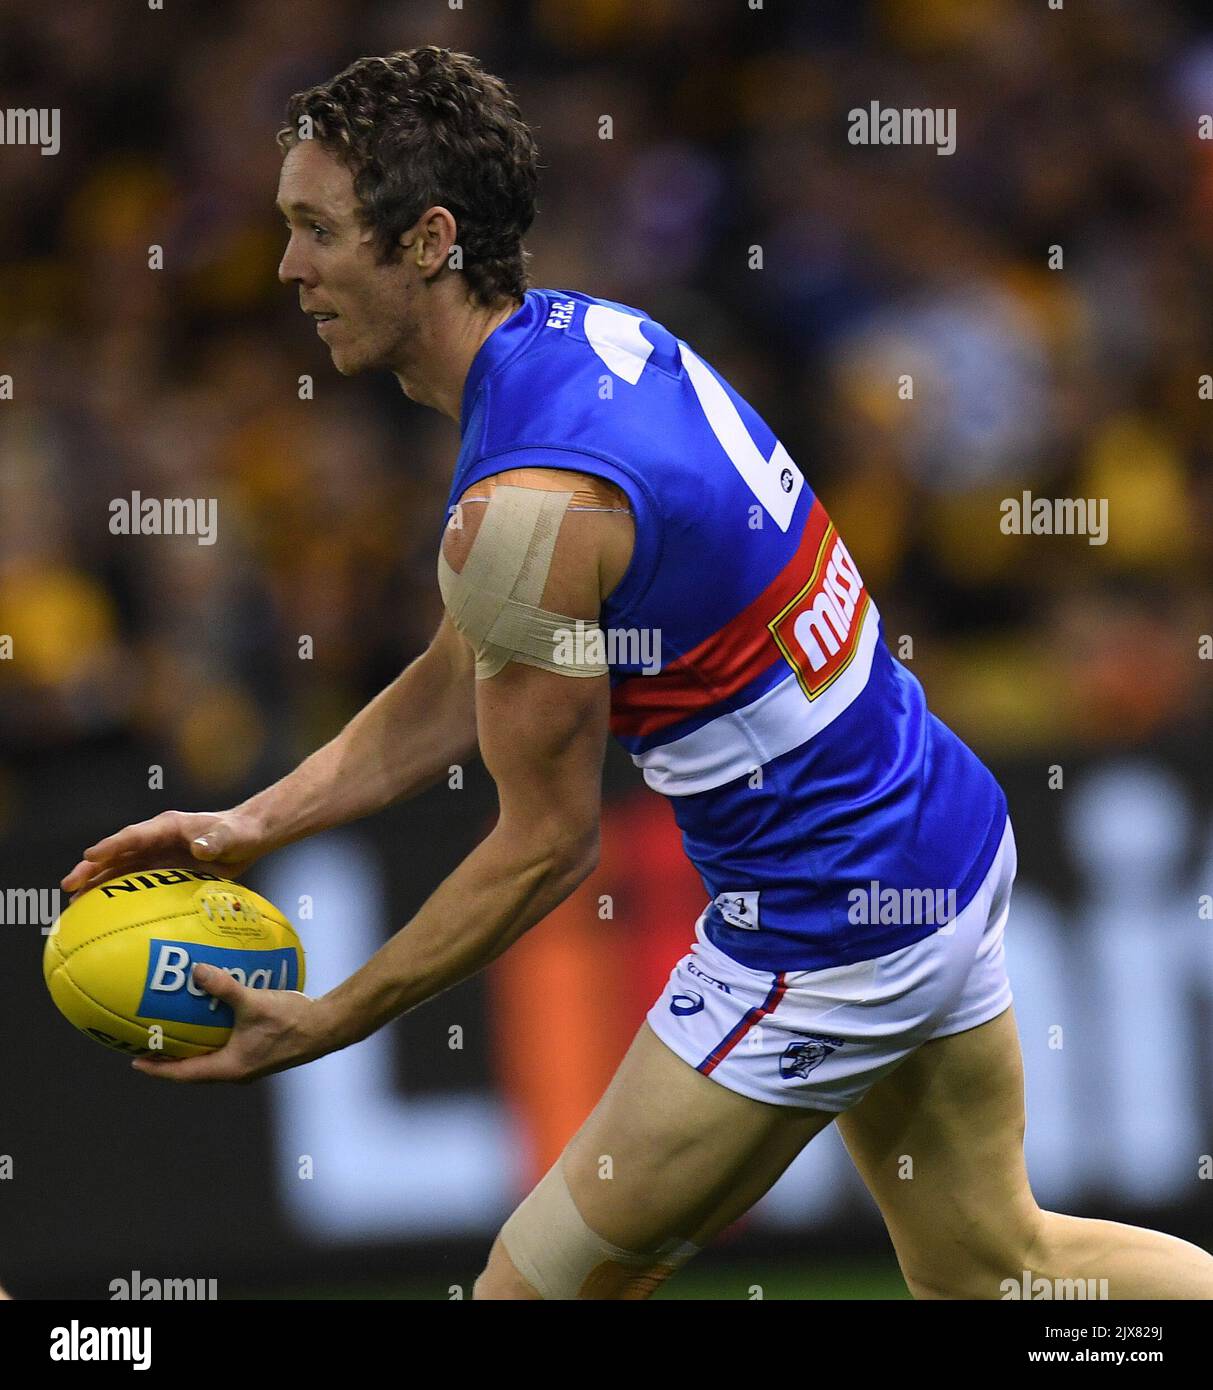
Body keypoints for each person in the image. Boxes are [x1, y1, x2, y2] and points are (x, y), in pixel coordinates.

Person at [62, 46, 1213, 1301]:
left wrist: (335, 1015)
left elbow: (547, 844)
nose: (288, 269)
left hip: (825, 930)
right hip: (935, 828)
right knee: (1000, 1271)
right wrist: (251, 820)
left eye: (316, 230)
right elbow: (473, 661)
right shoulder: (589, 338)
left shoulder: (524, 508)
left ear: (429, 238)